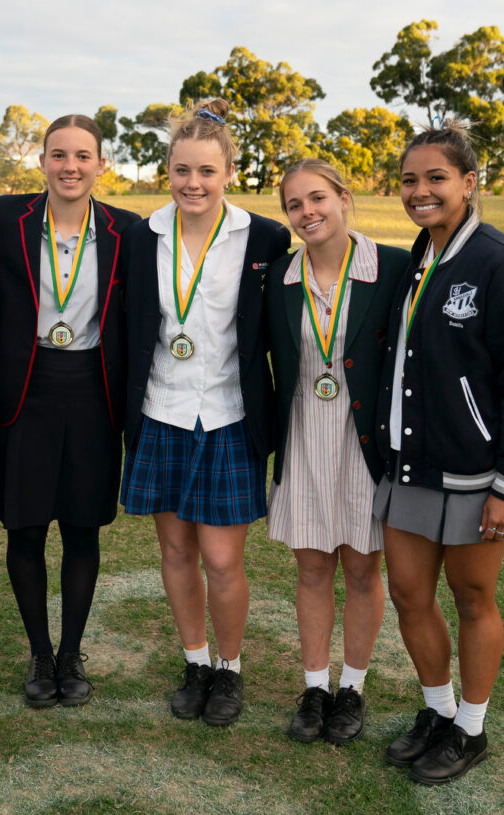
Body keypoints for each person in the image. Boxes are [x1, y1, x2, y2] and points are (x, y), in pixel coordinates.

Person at [374, 120, 504, 783]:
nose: (421, 192)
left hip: (476, 474)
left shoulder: (499, 262)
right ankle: (438, 711)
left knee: (473, 597)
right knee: (408, 593)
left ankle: (471, 730)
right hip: (409, 464)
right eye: (410, 180)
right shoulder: (416, 259)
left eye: (436, 178)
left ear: (469, 182)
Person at [120, 99, 291, 726]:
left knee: (222, 559)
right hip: (162, 410)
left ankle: (229, 668)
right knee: (175, 551)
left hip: (229, 415)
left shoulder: (266, 237)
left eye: (206, 171)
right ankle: (194, 662)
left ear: (229, 172)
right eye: (182, 169)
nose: (193, 183)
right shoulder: (141, 236)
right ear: (167, 169)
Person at [0, 114, 140, 708]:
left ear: (101, 164)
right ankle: (39, 655)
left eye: (83, 155)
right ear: (41, 160)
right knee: (24, 526)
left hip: (94, 392)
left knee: (81, 527)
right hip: (25, 390)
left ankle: (71, 653)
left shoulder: (128, 229)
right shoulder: (5, 217)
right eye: (58, 154)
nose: (70, 166)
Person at [264, 159, 409, 744]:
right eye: (295, 205)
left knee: (362, 567)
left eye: (318, 198)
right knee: (312, 568)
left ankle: (352, 686)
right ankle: (316, 685)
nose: (308, 213)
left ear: (345, 198)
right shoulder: (278, 277)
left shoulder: (393, 267)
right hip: (303, 437)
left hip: (362, 442)